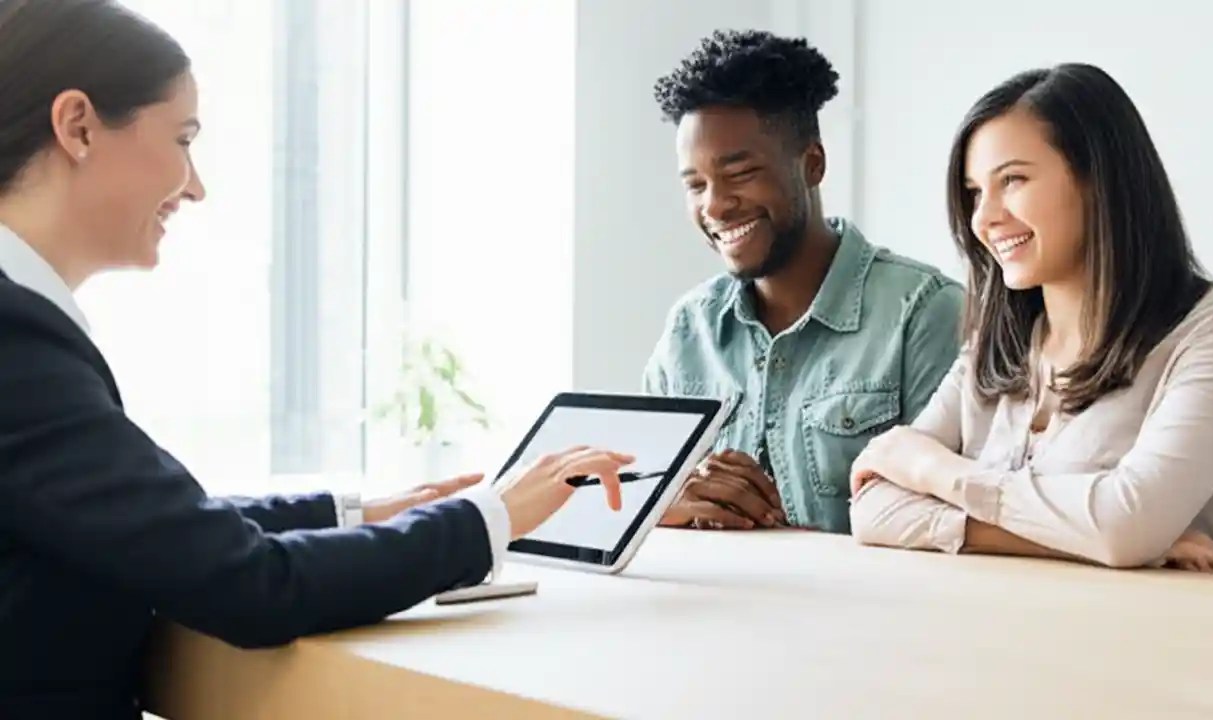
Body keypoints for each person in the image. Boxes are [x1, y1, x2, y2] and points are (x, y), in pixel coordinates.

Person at [0, 2, 632, 717]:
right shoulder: (15, 339)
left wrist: (351, 512)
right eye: (183, 139)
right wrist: (491, 516)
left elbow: (144, 524)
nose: (196, 185)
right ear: (78, 125)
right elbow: (250, 588)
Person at [847, 63, 1213, 575]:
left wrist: (934, 469)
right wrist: (1111, 539)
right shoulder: (996, 342)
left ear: (1100, 179)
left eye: (1012, 180)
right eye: (974, 192)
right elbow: (874, 508)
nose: (983, 218)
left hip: (1164, 643)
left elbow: (1127, 525)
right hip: (993, 633)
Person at [643, 30, 964, 534]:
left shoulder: (924, 314)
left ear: (812, 164)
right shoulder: (689, 331)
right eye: (696, 184)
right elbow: (636, 495)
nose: (715, 205)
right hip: (711, 610)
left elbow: (952, 516)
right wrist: (665, 500)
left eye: (740, 173)